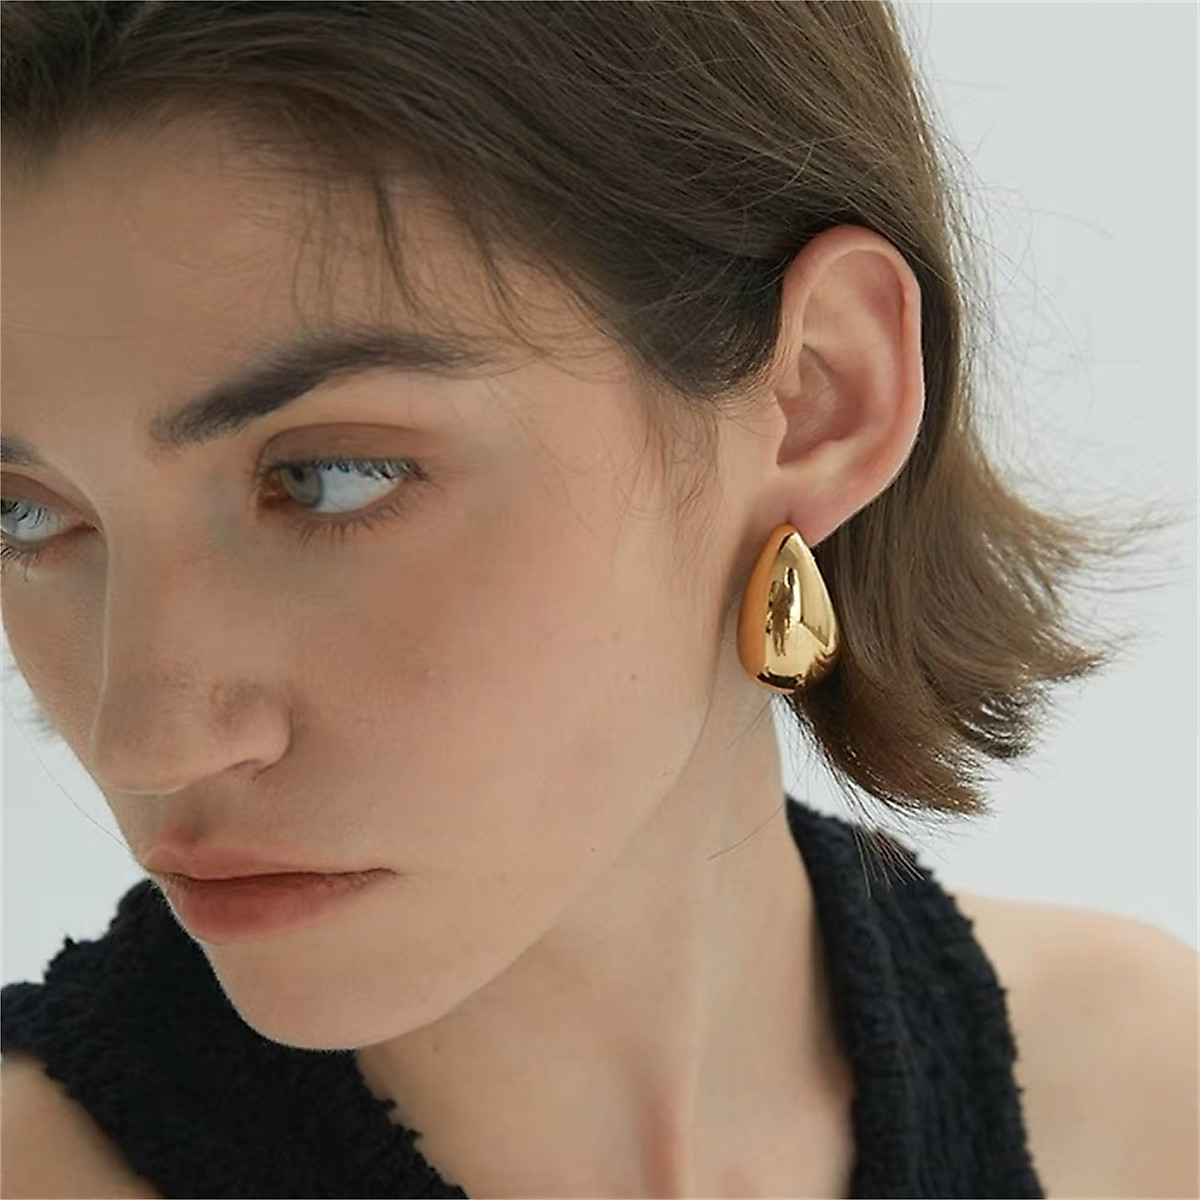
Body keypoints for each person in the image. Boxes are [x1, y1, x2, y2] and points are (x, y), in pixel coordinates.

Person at [0, 3, 1195, 1198]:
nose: (143, 742)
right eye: (25, 515)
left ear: (820, 394)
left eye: (329, 478)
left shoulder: (1146, 1105)